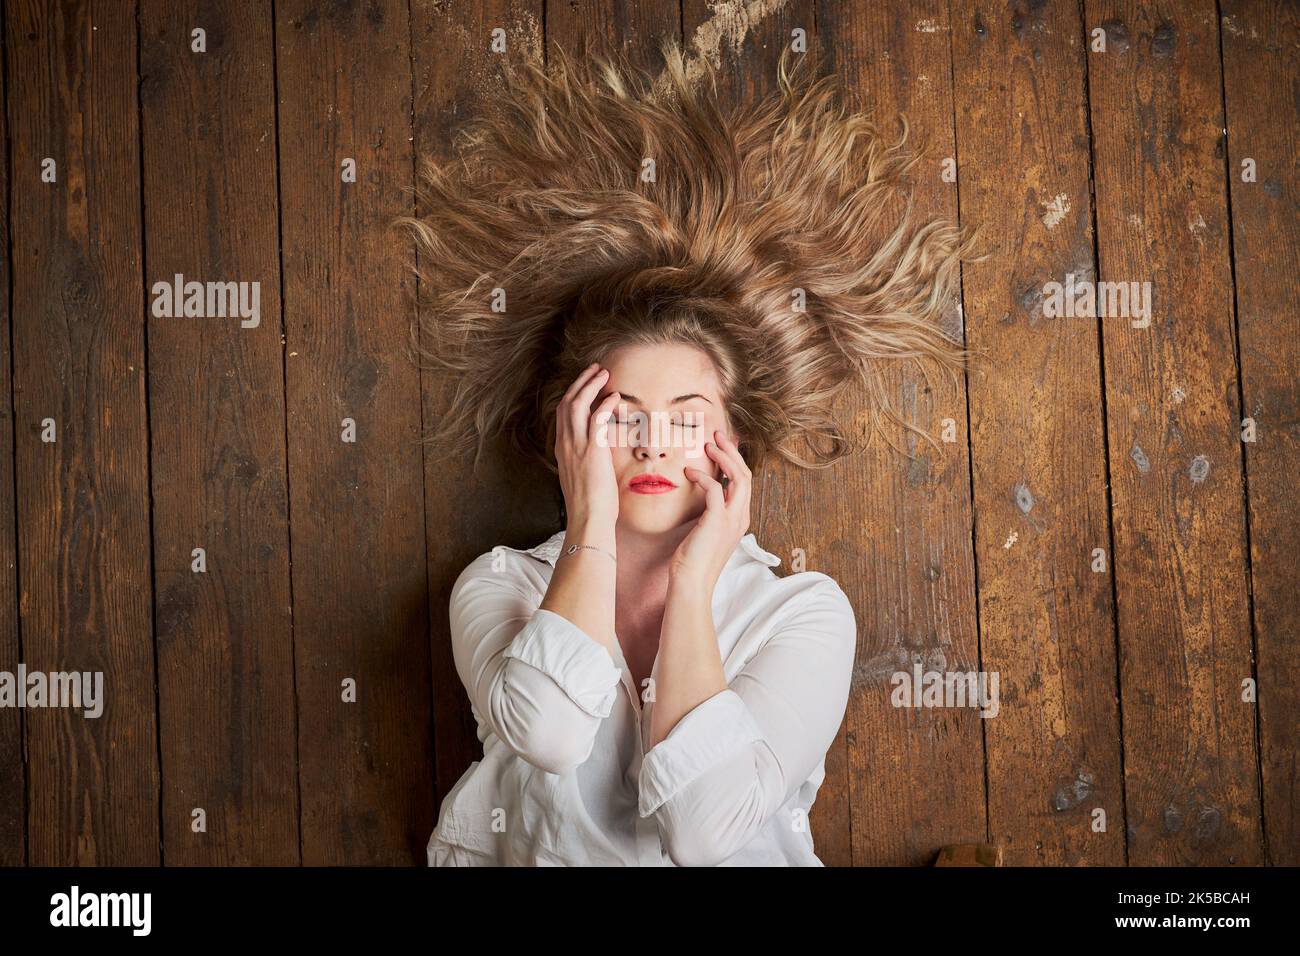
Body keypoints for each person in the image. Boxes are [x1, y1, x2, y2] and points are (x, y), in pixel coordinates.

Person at [392, 39, 976, 866]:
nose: (655, 442)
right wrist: (592, 520)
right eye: (622, 415)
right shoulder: (497, 587)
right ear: (573, 430)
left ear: (731, 440)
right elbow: (551, 734)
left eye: (687, 415)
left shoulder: (803, 614)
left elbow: (706, 835)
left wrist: (697, 581)